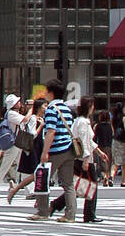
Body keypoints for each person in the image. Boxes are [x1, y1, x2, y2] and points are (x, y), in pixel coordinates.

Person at [49, 96, 109, 223]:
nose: (93, 108)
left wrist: (99, 152)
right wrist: (87, 159)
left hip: (79, 158)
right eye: (92, 105)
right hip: (83, 159)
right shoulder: (83, 122)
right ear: (88, 107)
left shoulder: (79, 121)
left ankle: (56, 204)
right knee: (91, 186)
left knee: (79, 187)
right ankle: (89, 215)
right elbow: (83, 142)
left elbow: (88, 141)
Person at [29, 78, 76, 222]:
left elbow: (51, 131)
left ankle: (43, 212)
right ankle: (70, 214)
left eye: (46, 91)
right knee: (68, 184)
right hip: (69, 149)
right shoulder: (67, 109)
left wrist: (45, 152)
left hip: (56, 150)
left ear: (51, 93)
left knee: (42, 179)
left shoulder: (51, 109)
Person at [7, 98, 45, 203]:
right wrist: (41, 126)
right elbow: (32, 134)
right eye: (44, 106)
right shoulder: (33, 118)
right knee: (33, 170)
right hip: (33, 145)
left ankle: (31, 191)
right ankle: (29, 191)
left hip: (37, 146)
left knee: (32, 170)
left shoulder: (39, 117)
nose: (46, 108)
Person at [93, 110, 113, 187]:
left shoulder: (98, 126)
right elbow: (112, 135)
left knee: (102, 162)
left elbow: (95, 136)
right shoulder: (109, 126)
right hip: (108, 145)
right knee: (108, 162)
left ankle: (104, 176)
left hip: (100, 145)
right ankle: (107, 177)